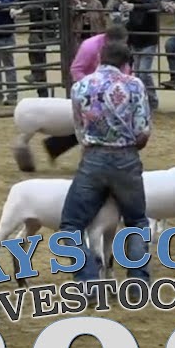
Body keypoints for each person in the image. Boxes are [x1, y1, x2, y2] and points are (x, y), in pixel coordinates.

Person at [59, 41, 153, 298]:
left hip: (94, 159)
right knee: (136, 222)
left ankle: (88, 280)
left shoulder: (81, 87)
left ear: (100, 57)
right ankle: (138, 284)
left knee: (70, 224)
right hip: (126, 158)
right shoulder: (135, 85)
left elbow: (79, 129)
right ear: (126, 62)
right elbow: (143, 133)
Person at [118, 0, 161, 108]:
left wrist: (134, 7)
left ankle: (151, 100)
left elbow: (154, 5)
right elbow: (115, 6)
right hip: (135, 42)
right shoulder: (128, 1)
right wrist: (122, 4)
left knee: (143, 72)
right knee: (138, 73)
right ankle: (146, 99)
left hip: (148, 41)